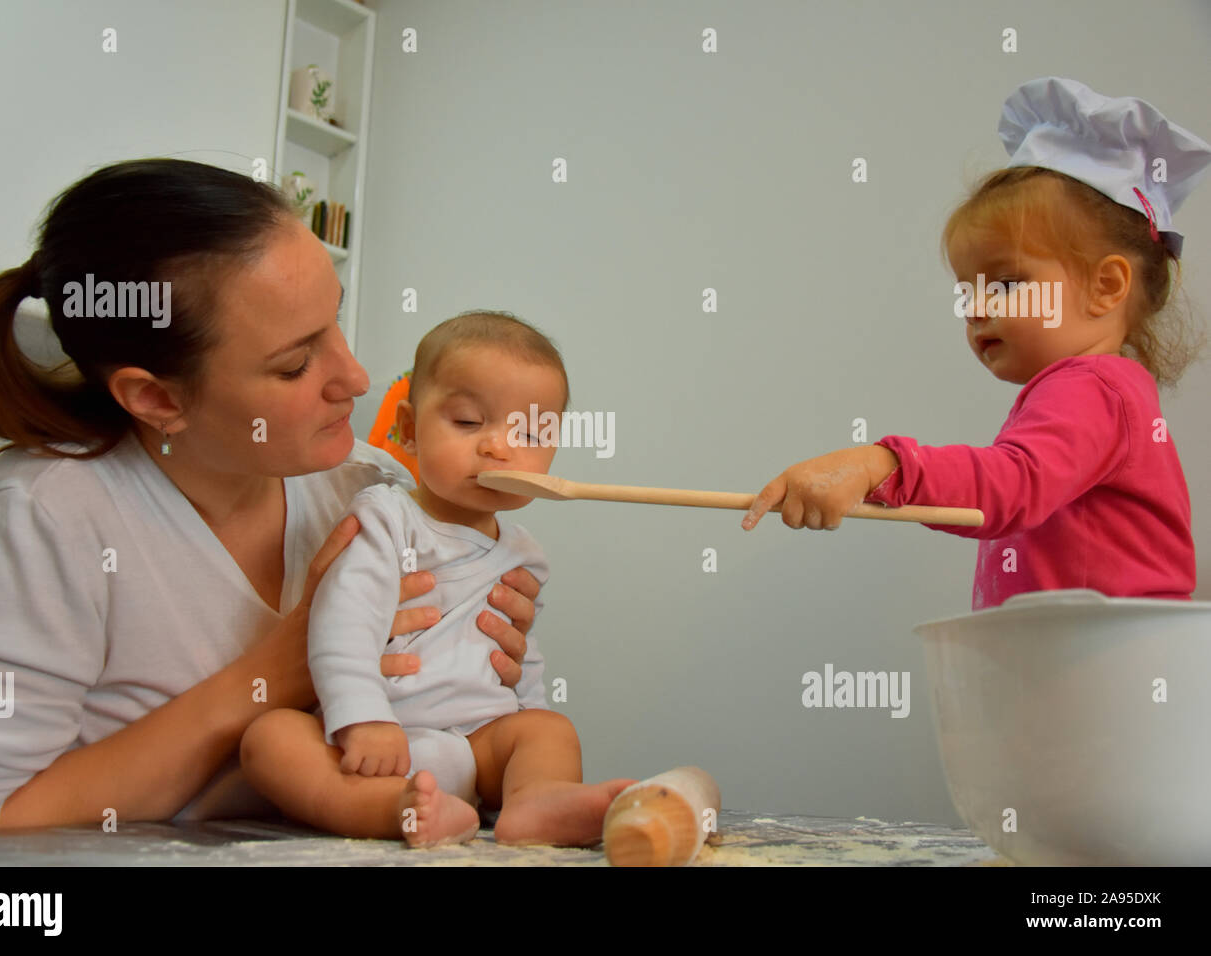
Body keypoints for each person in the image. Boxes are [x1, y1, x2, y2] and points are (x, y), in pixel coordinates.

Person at [0, 159, 544, 833]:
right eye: (296, 363)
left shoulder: (367, 489)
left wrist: (480, 642)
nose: (355, 378)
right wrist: (270, 674)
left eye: (335, 320)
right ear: (157, 397)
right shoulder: (40, 525)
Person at [741, 77, 1211, 610]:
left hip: (1107, 674)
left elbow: (1013, 484)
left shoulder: (1094, 387)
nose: (974, 307)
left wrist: (882, 466)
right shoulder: (1091, 390)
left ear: (1106, 287)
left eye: (1005, 284)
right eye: (967, 289)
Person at [241, 313, 636, 847]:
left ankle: (534, 801)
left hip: (479, 743)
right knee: (271, 740)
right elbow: (343, 621)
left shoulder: (524, 553)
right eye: (469, 423)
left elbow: (518, 656)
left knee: (550, 730)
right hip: (381, 744)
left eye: (530, 432)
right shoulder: (386, 517)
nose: (498, 448)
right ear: (408, 426)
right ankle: (396, 810)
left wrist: (528, 720)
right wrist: (363, 718)